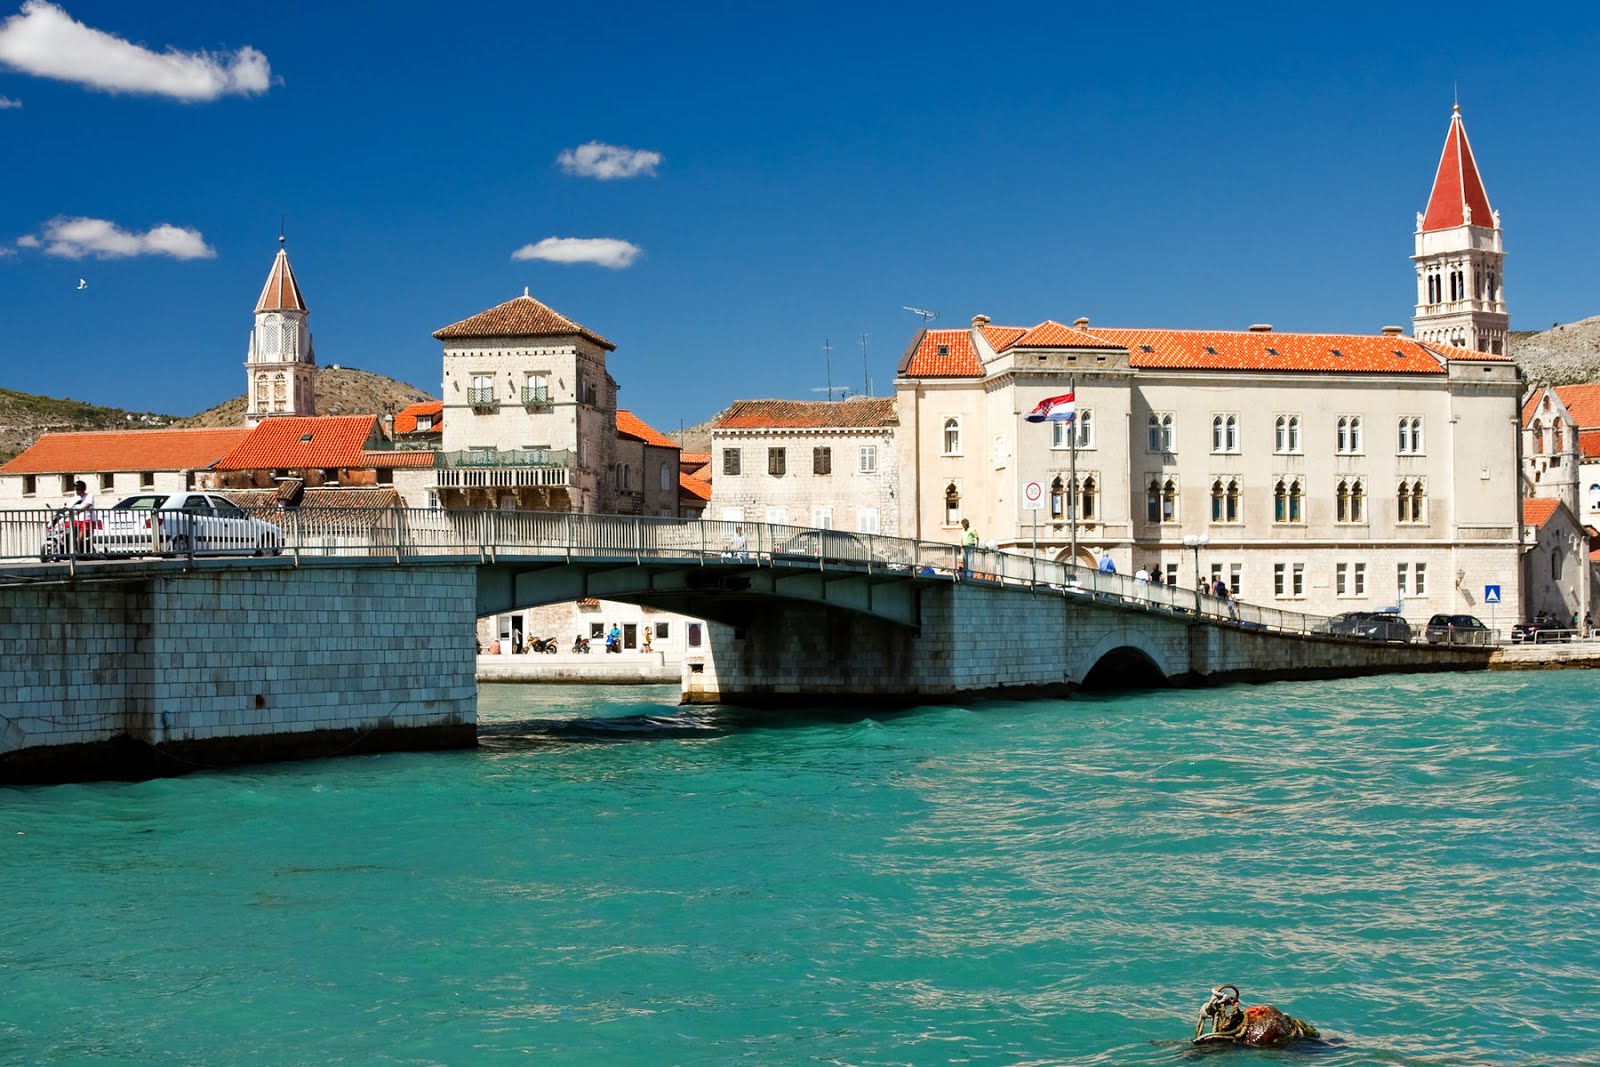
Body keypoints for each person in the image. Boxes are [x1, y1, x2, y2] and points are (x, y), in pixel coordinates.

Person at [67, 478, 95, 551]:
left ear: (83, 489)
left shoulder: (89, 496)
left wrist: (79, 511)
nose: (76, 491)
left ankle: (78, 552)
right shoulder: (75, 498)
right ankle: (74, 551)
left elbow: (87, 505)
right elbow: (68, 507)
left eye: (78, 489)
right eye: (76, 489)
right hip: (76, 520)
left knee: (79, 538)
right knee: (71, 537)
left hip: (86, 520)